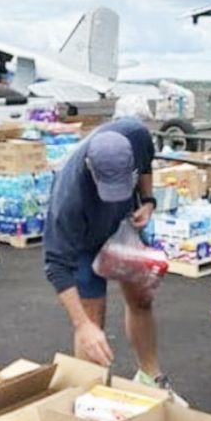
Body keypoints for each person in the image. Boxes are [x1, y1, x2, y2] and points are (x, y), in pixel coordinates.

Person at [43, 117, 174, 390]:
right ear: (90, 167)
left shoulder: (136, 135)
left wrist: (148, 201)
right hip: (85, 242)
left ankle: (152, 378)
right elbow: (56, 266)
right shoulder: (68, 197)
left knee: (141, 300)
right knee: (91, 322)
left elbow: (147, 163)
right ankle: (92, 394)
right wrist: (81, 325)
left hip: (123, 227)